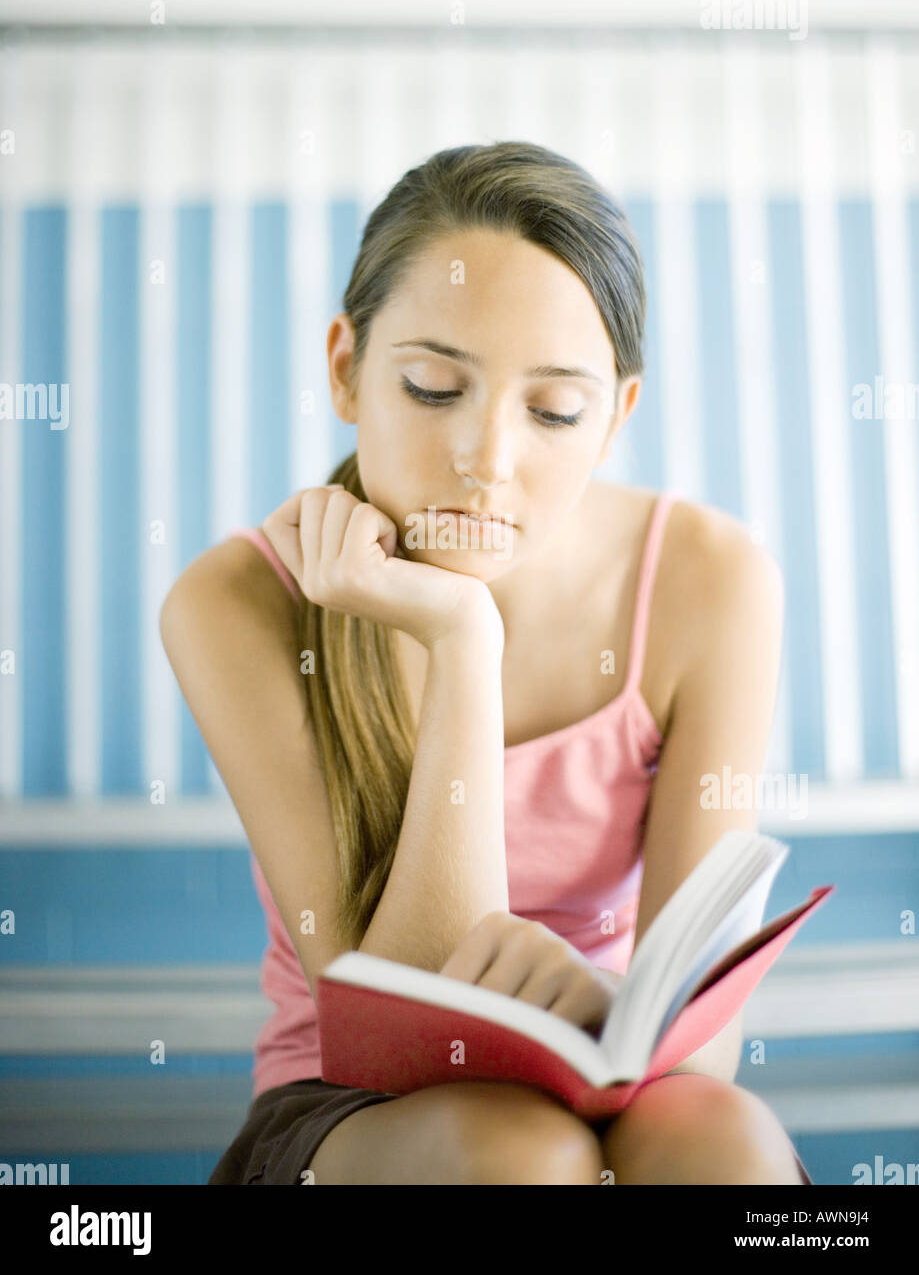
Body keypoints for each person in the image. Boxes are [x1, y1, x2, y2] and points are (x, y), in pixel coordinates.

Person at [160, 140, 813, 1185]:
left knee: (724, 1143)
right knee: (511, 1154)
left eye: (554, 411)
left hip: (615, 1080)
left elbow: (703, 1035)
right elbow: (398, 1041)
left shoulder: (712, 577)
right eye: (430, 388)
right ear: (345, 367)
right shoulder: (233, 603)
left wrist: (612, 1011)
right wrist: (463, 639)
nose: (488, 461)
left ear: (613, 419)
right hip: (354, 1111)